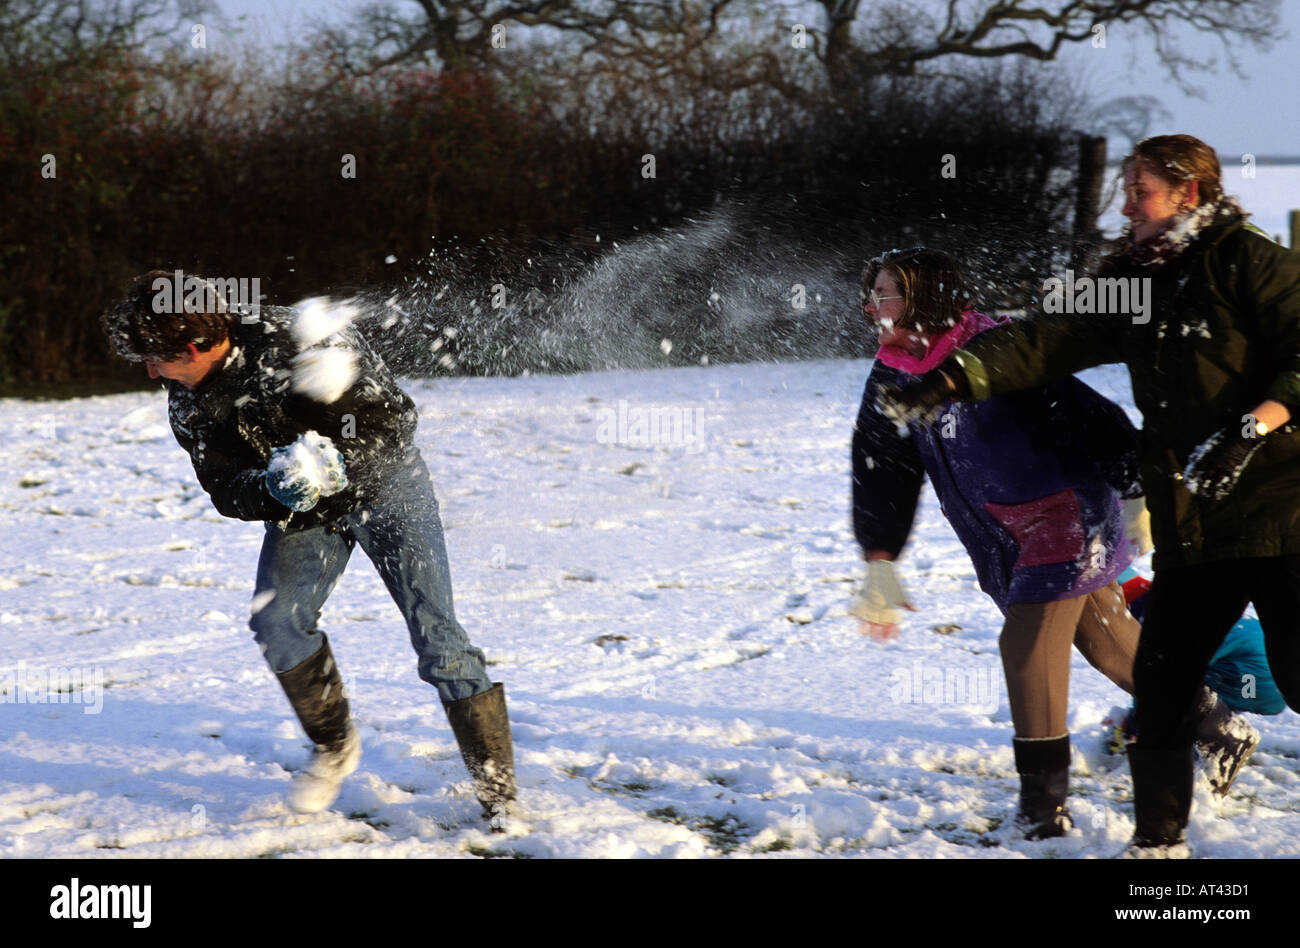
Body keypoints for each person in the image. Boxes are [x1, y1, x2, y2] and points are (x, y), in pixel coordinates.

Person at [878, 134, 1300, 856]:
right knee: (1161, 693)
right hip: (1193, 514)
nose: (1126, 203)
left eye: (1140, 189)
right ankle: (1156, 847)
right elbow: (1048, 337)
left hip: (1280, 505)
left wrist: (1255, 426)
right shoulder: (1134, 278)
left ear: (1188, 193)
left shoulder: (1249, 260)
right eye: (1126, 188)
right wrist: (952, 378)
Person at [101, 271, 515, 825]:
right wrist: (273, 489)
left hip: (389, 489)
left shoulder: (298, 340)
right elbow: (225, 488)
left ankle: (499, 795)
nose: (152, 373)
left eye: (159, 359)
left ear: (199, 343)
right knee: (276, 620)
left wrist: (341, 461)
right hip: (304, 512)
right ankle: (334, 746)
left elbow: (396, 418)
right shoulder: (189, 400)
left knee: (439, 638)